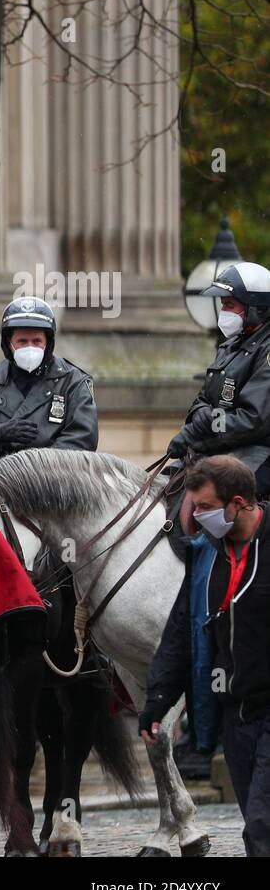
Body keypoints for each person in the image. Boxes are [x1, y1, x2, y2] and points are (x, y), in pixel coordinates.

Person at [140, 455, 270, 855]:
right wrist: (158, 701)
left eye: (206, 507)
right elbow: (182, 632)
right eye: (193, 506)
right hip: (236, 713)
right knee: (255, 817)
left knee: (263, 824)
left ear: (239, 503)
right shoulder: (206, 554)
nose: (196, 516)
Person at [167, 262, 270, 497]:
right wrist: (202, 419)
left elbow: (253, 420)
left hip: (258, 453)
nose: (223, 311)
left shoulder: (266, 352)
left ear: (257, 308)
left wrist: (205, 426)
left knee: (214, 498)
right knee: (168, 488)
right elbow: (202, 400)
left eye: (230, 305)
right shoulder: (230, 346)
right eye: (223, 304)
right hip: (220, 448)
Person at [0, 296, 97, 463]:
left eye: (37, 341)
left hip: (53, 481)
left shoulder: (73, 381)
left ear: (48, 343)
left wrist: (34, 466)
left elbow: (83, 438)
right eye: (22, 341)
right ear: (8, 343)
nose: (30, 347)